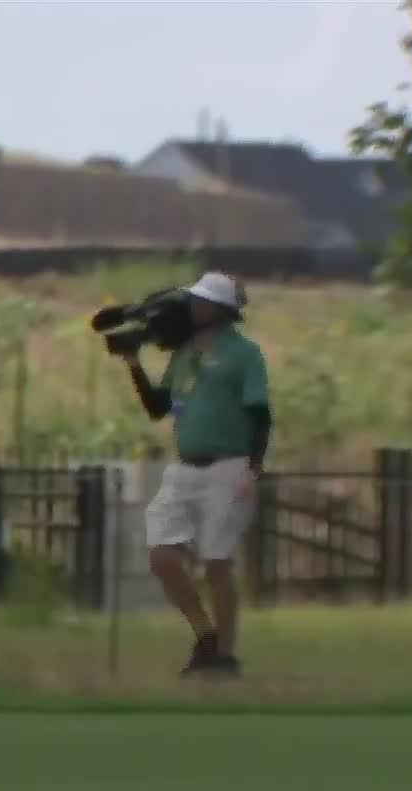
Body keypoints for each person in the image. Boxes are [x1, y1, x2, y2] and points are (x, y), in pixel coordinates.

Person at [122, 271, 270, 677]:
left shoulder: (244, 354)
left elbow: (260, 414)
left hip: (229, 467)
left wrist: (253, 468)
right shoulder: (184, 353)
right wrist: (134, 361)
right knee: (163, 557)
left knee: (217, 563)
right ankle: (205, 635)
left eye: (202, 301)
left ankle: (225, 655)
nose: (193, 306)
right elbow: (158, 407)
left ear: (219, 311)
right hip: (185, 469)